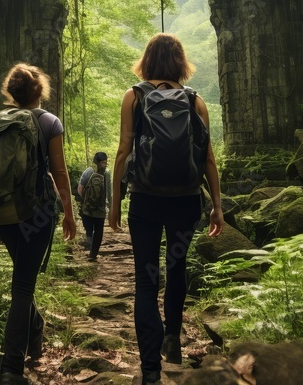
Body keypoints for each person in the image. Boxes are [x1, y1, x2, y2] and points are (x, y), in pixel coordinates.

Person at [109, 33, 224, 385]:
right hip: (186, 200)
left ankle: (150, 372)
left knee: (145, 279)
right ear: (180, 62)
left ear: (146, 61)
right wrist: (217, 207)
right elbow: (208, 159)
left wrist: (116, 203)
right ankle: (172, 337)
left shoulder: (135, 96)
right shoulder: (195, 101)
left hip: (144, 199)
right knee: (177, 267)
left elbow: (122, 152)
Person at [0, 63, 77, 385]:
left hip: (4, 213)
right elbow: (60, 173)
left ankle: (35, 335)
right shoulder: (49, 122)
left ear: (11, 92)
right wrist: (68, 212)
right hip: (36, 214)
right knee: (23, 286)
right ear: (40, 91)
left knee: (23, 277)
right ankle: (11, 369)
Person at [77, 151, 110, 260]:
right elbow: (109, 193)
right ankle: (93, 254)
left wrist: (86, 201)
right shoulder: (107, 174)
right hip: (100, 209)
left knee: (90, 230)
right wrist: (110, 206)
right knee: (99, 231)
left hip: (88, 209)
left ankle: (90, 249)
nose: (104, 165)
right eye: (103, 162)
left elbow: (80, 189)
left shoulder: (88, 171)